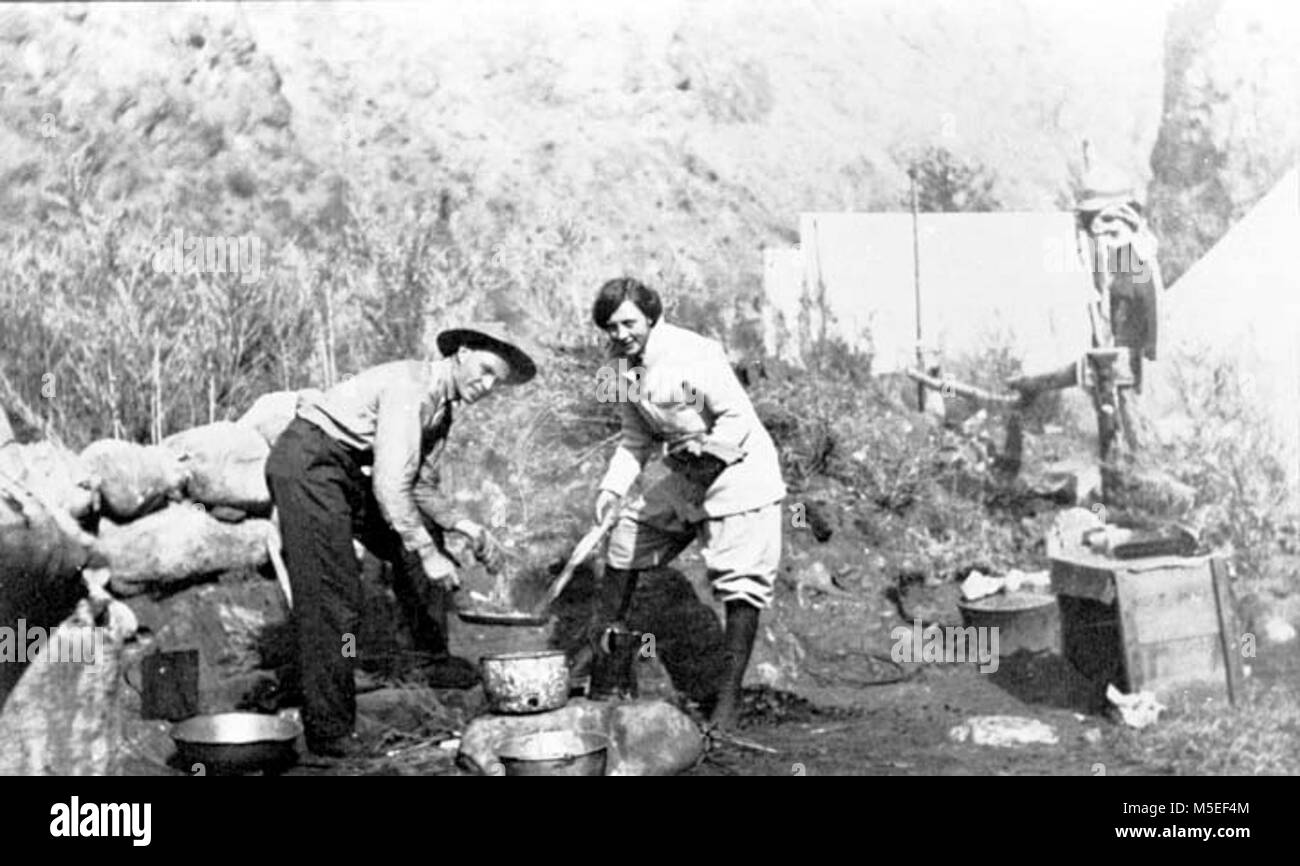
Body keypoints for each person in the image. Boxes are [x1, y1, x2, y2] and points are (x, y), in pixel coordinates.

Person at [265, 324, 537, 758]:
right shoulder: (411, 389)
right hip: (310, 466)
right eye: (484, 371)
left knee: (418, 538)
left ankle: (430, 657)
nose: (486, 386)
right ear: (462, 353)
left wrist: (464, 526)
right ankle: (329, 731)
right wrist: (429, 555)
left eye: (496, 383)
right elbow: (391, 487)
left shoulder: (441, 408)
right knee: (335, 600)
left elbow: (421, 486)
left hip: (344, 474)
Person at [587, 277, 787, 729]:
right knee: (626, 538)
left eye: (629, 323)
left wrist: (709, 460)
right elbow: (636, 438)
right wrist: (611, 489)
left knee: (740, 583)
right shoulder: (622, 369)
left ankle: (727, 706)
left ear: (652, 316)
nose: (621, 334)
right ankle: (611, 675)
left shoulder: (692, 353)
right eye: (611, 327)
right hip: (689, 468)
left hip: (739, 471)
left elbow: (736, 416)